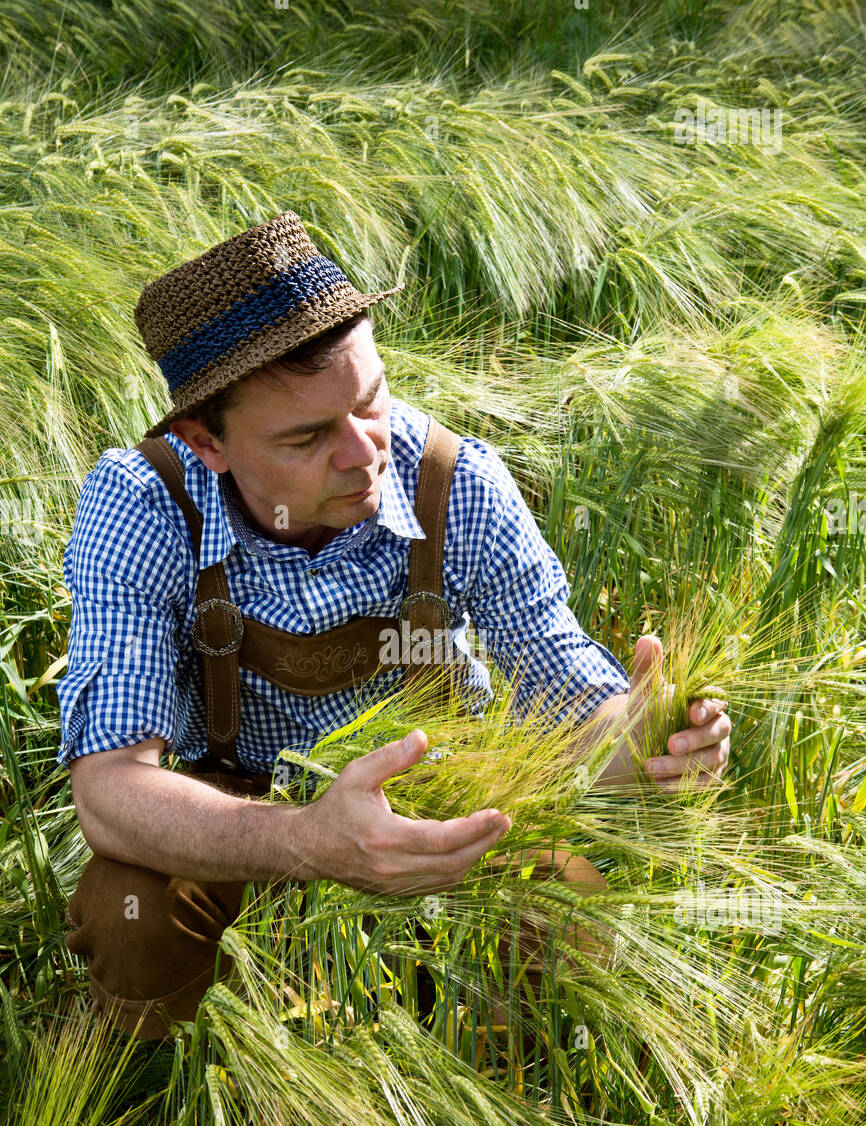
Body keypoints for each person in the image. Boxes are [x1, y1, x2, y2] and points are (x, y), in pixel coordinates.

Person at [57, 210, 731, 1039]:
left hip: (439, 802)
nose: (363, 453)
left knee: (573, 921)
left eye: (369, 401)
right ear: (208, 443)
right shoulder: (142, 503)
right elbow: (112, 792)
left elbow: (566, 694)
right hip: (234, 813)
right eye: (307, 436)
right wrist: (306, 840)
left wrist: (639, 743)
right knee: (133, 920)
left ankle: (488, 1096)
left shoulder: (456, 482)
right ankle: (165, 1097)